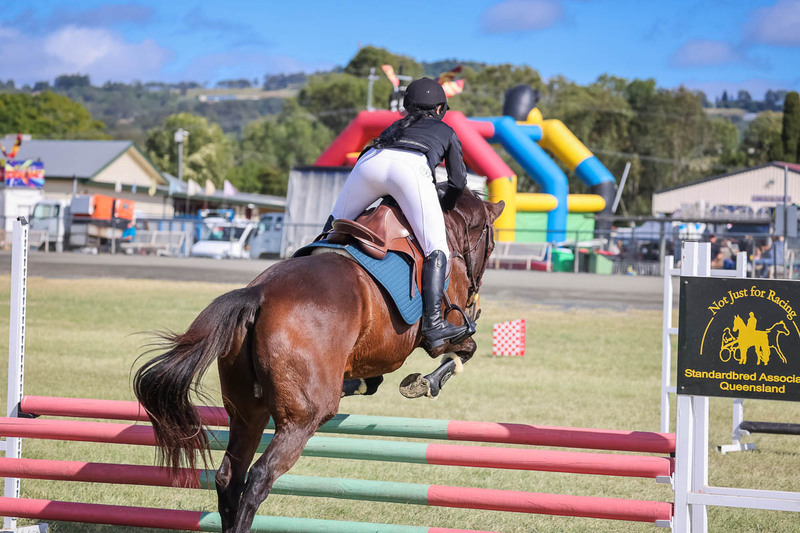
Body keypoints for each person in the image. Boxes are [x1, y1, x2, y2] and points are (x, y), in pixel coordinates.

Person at [323, 77, 468, 350]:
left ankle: (304, 264)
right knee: (437, 248)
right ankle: (434, 324)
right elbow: (458, 182)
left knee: (333, 225)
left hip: (370, 163)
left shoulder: (394, 125)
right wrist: (445, 206)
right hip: (408, 170)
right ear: (440, 109)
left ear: (407, 107)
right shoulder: (445, 130)